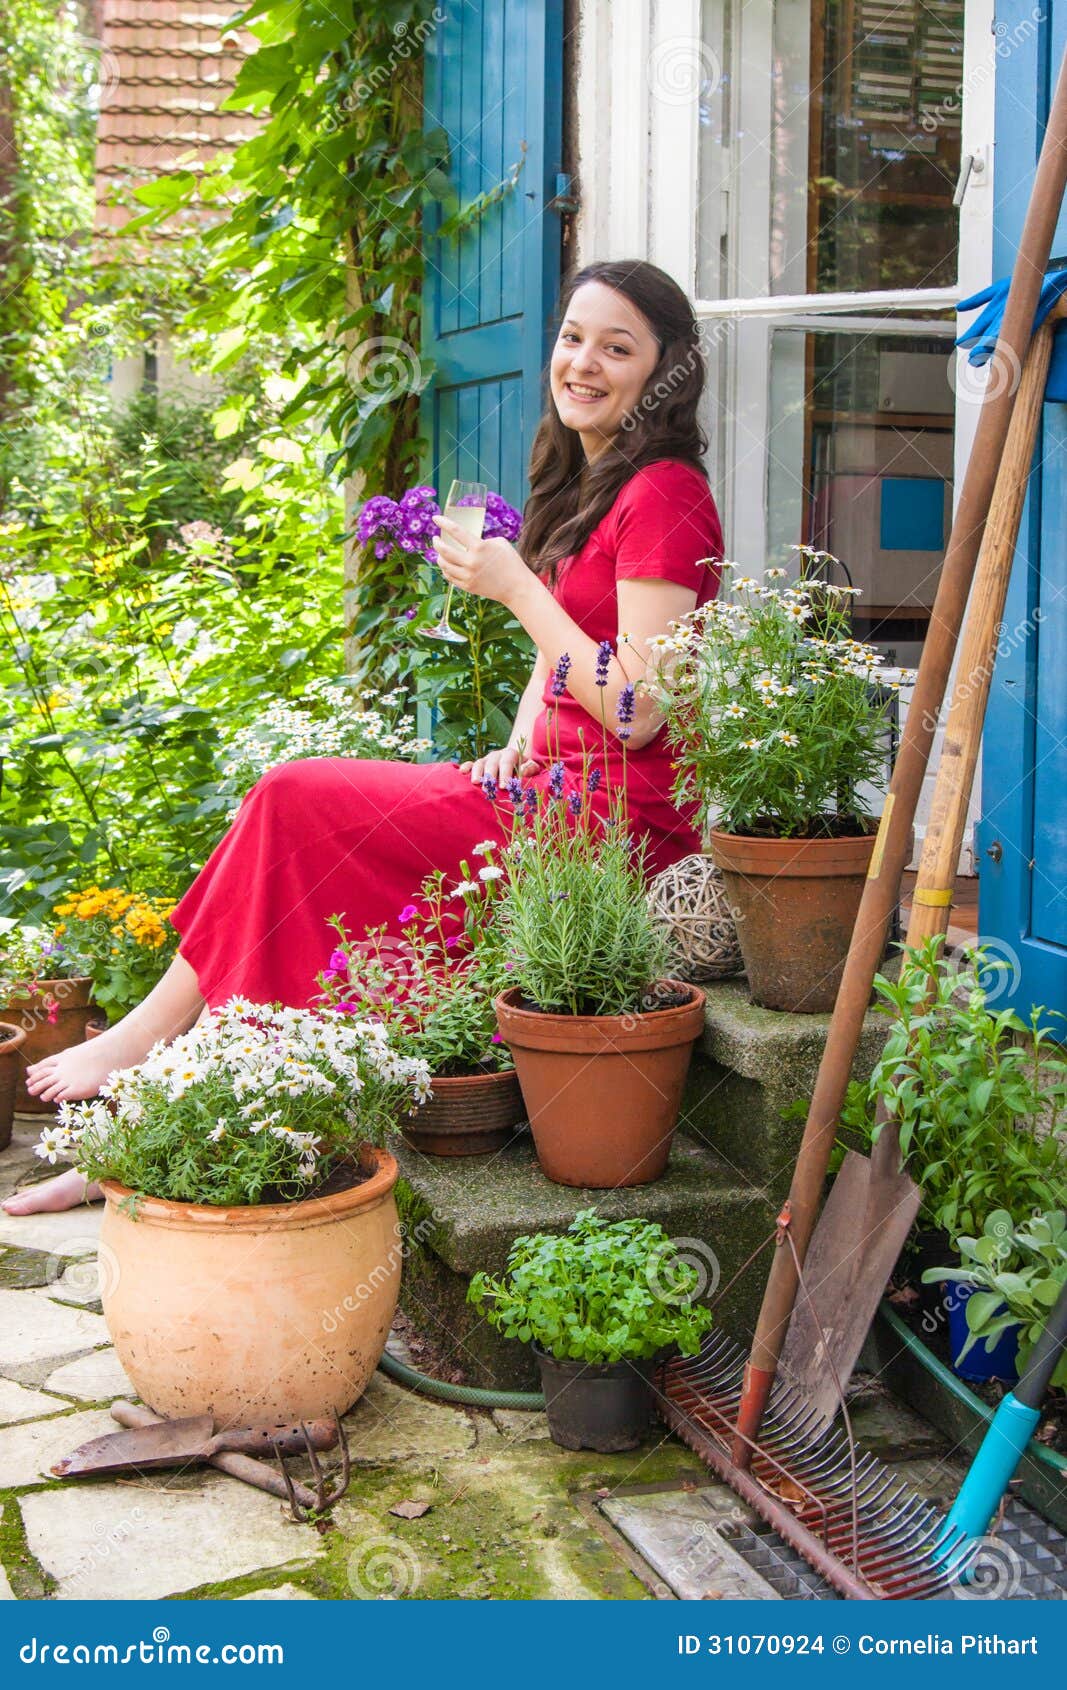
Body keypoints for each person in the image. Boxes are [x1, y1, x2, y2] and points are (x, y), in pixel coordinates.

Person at [5, 258, 723, 1216]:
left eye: (617, 347)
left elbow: (638, 707)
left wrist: (516, 589)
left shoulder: (667, 496)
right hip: (544, 793)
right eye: (571, 337)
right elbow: (569, 652)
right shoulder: (594, 483)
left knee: (298, 802)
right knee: (295, 821)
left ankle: (148, 1062)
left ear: (667, 371)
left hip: (607, 832)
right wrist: (522, 735)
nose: (582, 363)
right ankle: (157, 1107)